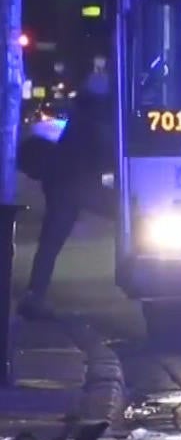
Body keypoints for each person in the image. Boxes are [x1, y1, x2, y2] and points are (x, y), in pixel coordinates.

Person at [17, 67, 113, 320]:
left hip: (63, 182)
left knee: (50, 241)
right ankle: (34, 297)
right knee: (131, 214)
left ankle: (34, 295)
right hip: (72, 184)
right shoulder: (91, 121)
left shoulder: (79, 115)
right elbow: (100, 153)